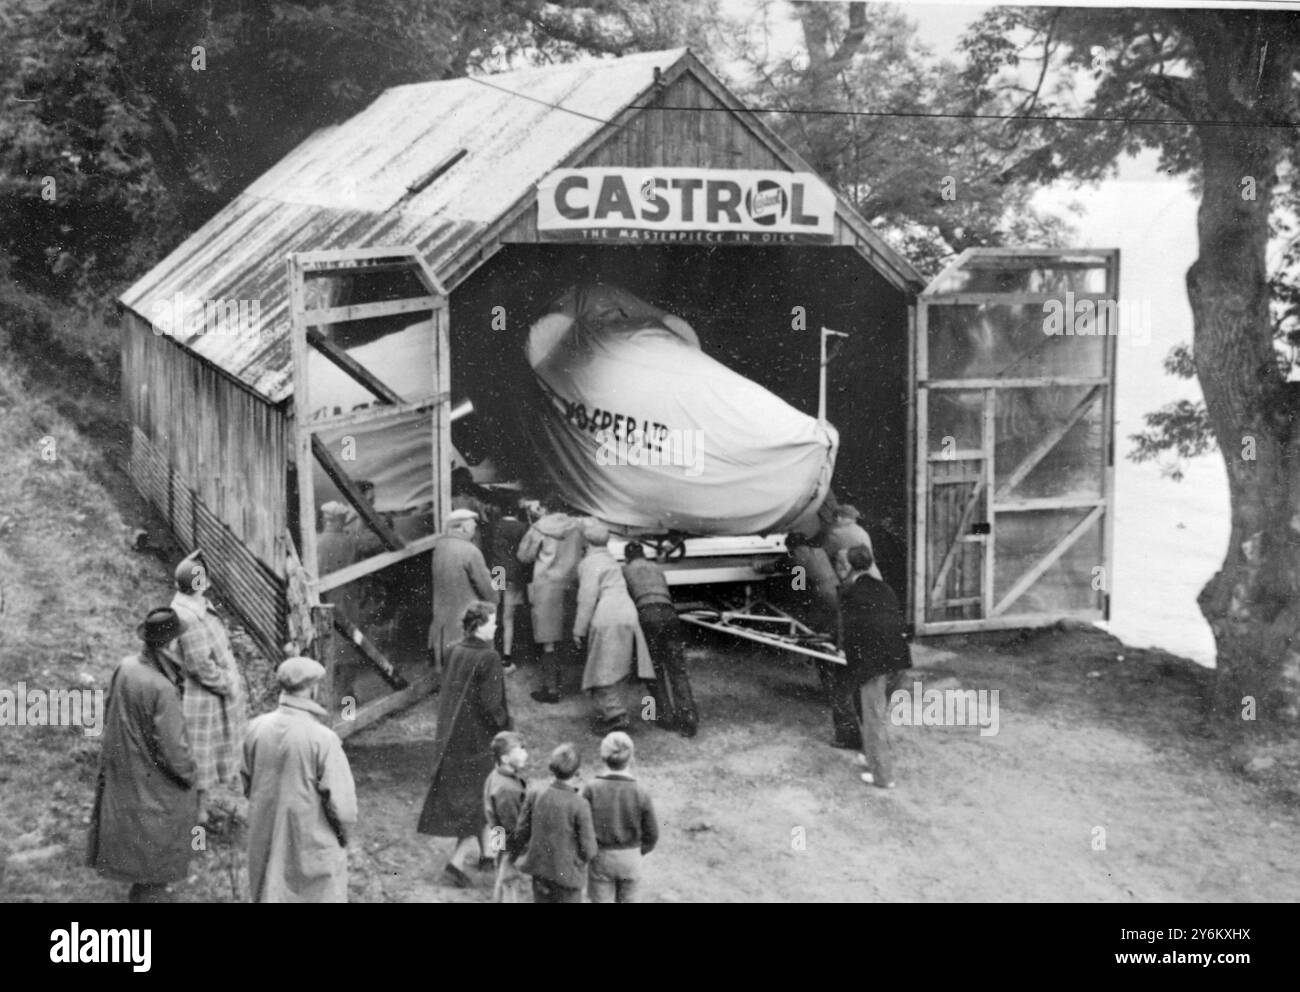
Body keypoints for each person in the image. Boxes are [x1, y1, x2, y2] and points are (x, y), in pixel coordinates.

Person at [87, 608, 198, 903]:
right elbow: (174, 751)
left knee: (142, 855)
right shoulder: (162, 688)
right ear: (170, 645)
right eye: (179, 641)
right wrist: (191, 775)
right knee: (156, 858)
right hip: (152, 786)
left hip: (124, 776)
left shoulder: (126, 667)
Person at [242, 656, 357, 902]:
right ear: (313, 688)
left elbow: (247, 783)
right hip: (310, 844)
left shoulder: (255, 728)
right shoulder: (323, 738)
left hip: (265, 837)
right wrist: (342, 838)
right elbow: (344, 809)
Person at [417, 604, 512, 888]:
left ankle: (486, 854)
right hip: (479, 741)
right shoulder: (490, 657)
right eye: (492, 622)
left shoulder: (454, 650)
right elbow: (492, 705)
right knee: (476, 801)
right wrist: (507, 730)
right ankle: (455, 864)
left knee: (473, 796)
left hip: (453, 736)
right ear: (480, 625)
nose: (495, 627)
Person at [169, 550, 249, 823]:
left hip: (210, 697)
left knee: (207, 754)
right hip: (201, 698)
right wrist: (228, 683)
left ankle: (202, 807)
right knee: (199, 756)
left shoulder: (194, 605)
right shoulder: (187, 617)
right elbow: (199, 665)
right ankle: (197, 813)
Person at [837, 545, 912, 789]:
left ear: (848, 567)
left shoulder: (850, 593)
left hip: (875, 663)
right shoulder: (884, 587)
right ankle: (871, 755)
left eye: (842, 564)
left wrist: (845, 655)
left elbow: (848, 631)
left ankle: (883, 777)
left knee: (873, 720)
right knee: (876, 716)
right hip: (899, 659)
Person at [574, 521, 655, 736]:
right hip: (627, 612)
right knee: (618, 667)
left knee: (601, 669)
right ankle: (620, 711)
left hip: (607, 615)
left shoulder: (589, 563)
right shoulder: (611, 560)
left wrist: (578, 629)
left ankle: (615, 716)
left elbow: (586, 599)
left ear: (586, 542)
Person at [622, 542, 698, 737]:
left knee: (654, 669)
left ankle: (664, 716)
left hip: (648, 615)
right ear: (643, 555)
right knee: (677, 669)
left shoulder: (625, 569)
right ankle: (688, 718)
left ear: (628, 557)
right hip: (669, 614)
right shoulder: (656, 567)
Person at [517, 495, 585, 703]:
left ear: (545, 507)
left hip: (546, 587)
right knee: (568, 636)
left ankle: (551, 689)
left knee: (549, 642)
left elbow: (524, 557)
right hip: (571, 585)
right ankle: (570, 685)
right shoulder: (578, 526)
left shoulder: (539, 528)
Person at [513, 742, 597, 904]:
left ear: (551, 768)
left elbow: (521, 831)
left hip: (540, 870)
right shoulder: (579, 803)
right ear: (578, 772)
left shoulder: (535, 793)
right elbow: (589, 849)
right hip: (568, 876)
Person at [581, 731, 659, 904]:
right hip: (631, 857)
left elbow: (581, 824)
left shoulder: (591, 788)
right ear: (631, 758)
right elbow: (652, 833)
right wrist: (638, 851)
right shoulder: (641, 790)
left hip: (601, 855)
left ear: (603, 757)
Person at [428, 508, 496, 673]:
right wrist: (496, 597)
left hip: (444, 614)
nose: (474, 529)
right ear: (463, 527)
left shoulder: (440, 546)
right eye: (473, 526)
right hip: (465, 616)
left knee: (448, 662)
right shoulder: (470, 551)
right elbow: (487, 587)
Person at [317, 501, 361, 702]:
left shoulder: (318, 543)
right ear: (341, 521)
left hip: (326, 602)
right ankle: (347, 705)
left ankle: (332, 700)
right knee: (348, 652)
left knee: (330, 651)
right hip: (348, 600)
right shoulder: (349, 541)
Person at [483, 730, 529, 903]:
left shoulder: (496, 775)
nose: (526, 754)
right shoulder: (507, 788)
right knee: (509, 880)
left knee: (502, 876)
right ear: (505, 759)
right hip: (510, 841)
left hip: (497, 833)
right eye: (520, 750)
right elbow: (513, 823)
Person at [489, 502, 529, 667]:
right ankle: (507, 655)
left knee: (494, 612)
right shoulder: (523, 527)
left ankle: (491, 649)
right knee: (508, 617)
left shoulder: (494, 526)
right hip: (514, 572)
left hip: (498, 570)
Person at [821, 503, 884, 582]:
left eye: (842, 515)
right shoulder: (861, 531)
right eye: (836, 515)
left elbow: (825, 553)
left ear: (850, 518)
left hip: (850, 575)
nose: (838, 518)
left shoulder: (836, 532)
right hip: (872, 573)